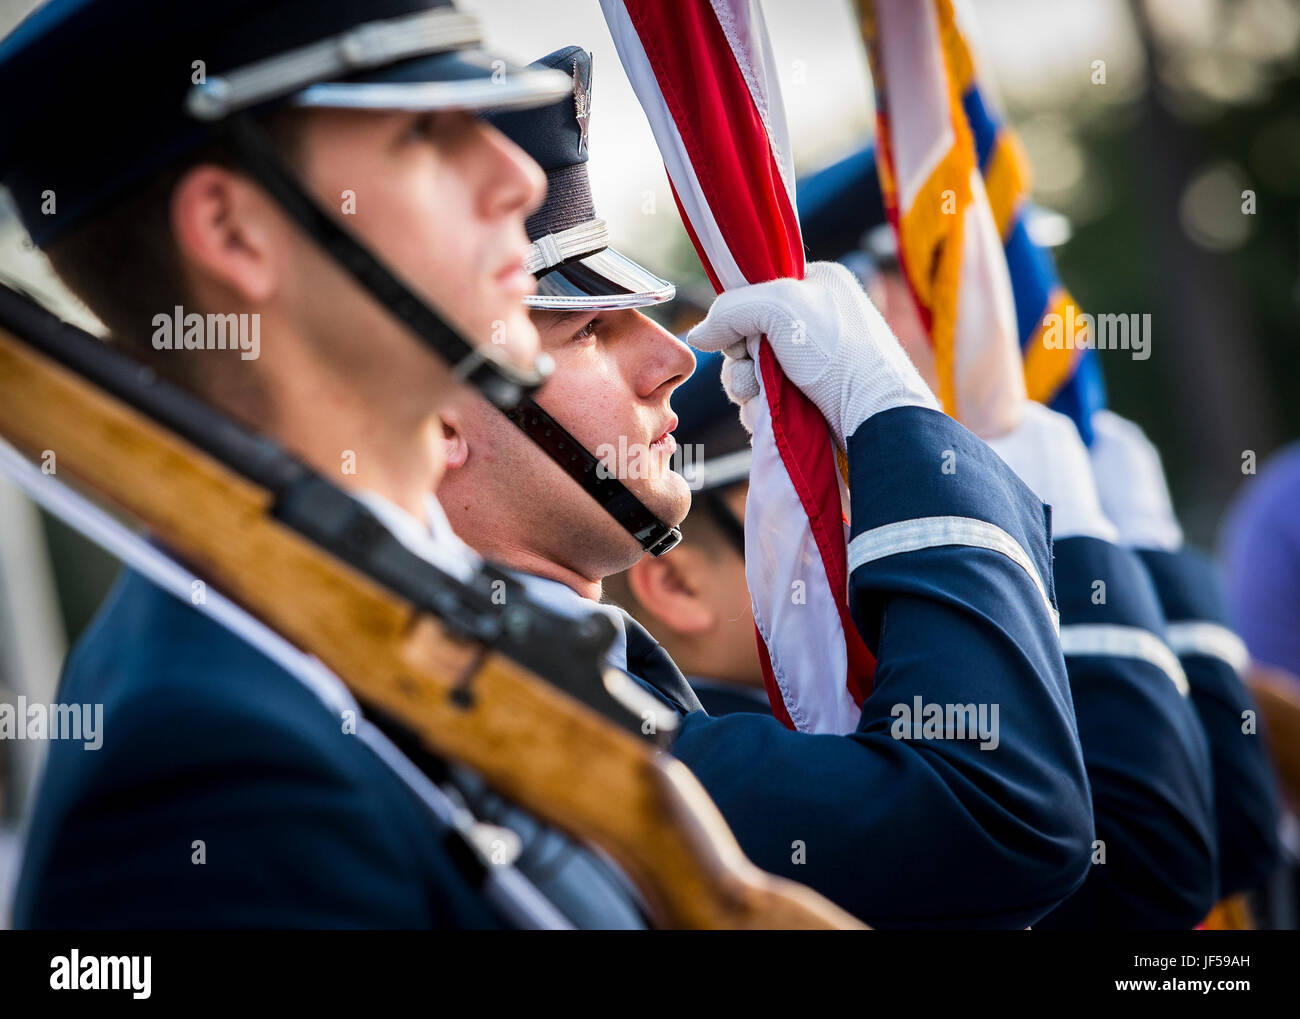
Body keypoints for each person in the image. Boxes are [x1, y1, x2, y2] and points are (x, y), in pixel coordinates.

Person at [3, 0, 654, 929]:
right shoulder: (206, 770)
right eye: (428, 132)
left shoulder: (419, 615)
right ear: (233, 233)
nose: (513, 176)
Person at [438, 47, 1096, 929]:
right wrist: (900, 422)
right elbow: (996, 812)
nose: (673, 358)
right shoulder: (501, 708)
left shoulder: (552, 678)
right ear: (440, 420)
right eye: (590, 330)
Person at [792, 145, 1279, 925]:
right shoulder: (849, 540)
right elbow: (1146, 877)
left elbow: (1241, 831)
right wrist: (1079, 529)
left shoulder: (1033, 468)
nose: (1037, 324)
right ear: (872, 302)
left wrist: (1141, 541)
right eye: (989, 290)